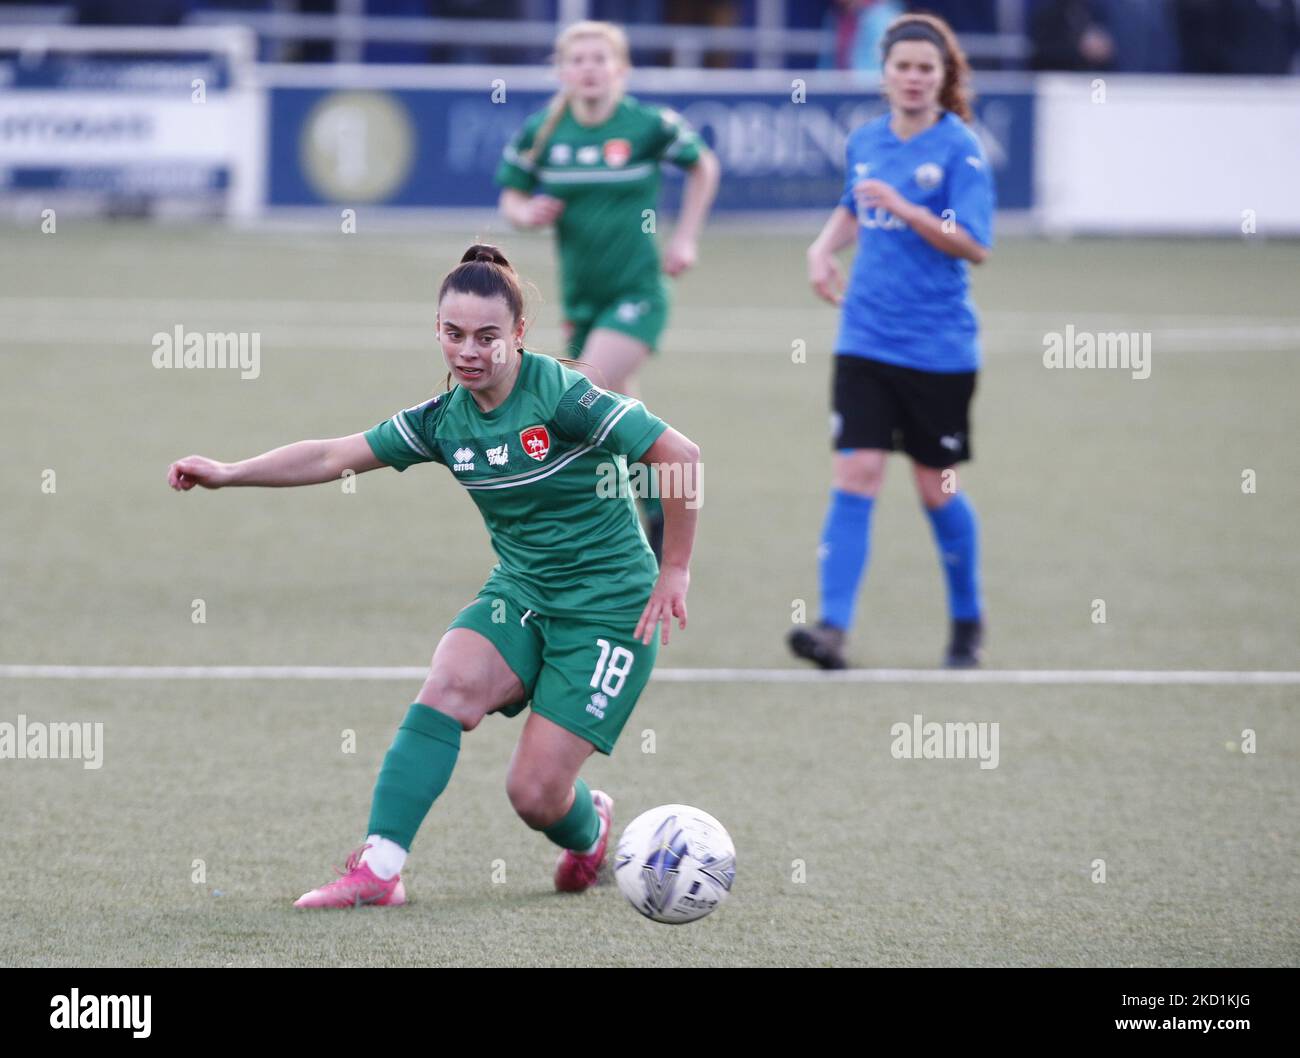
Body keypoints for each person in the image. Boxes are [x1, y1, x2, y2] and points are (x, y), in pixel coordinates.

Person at [167, 244, 701, 908]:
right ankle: (380, 871)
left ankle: (589, 834)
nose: (468, 351)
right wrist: (228, 471)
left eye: (487, 337)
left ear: (519, 336)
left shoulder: (565, 400)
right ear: (437, 331)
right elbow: (335, 454)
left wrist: (673, 567)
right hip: (523, 594)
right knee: (449, 681)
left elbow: (678, 453)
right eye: (453, 334)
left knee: (533, 795)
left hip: (610, 609)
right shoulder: (444, 422)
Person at [789, 13, 994, 670]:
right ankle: (831, 629)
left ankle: (967, 619)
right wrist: (823, 247)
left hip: (938, 349)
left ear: (942, 77)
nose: (912, 78)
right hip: (865, 339)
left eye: (925, 69)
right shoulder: (868, 139)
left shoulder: (960, 149)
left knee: (938, 490)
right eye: (902, 67)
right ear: (884, 75)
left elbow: (974, 245)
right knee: (857, 471)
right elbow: (856, 203)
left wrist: (909, 211)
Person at [496, 19, 719, 559]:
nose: (589, 69)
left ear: (621, 68)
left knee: (582, 397)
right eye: (579, 60)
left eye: (601, 59)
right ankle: (661, 511)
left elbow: (703, 166)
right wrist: (529, 214)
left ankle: (582, 531)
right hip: (581, 300)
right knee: (625, 414)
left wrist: (685, 238)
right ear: (561, 70)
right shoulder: (544, 131)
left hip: (636, 291)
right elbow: (512, 197)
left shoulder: (646, 124)